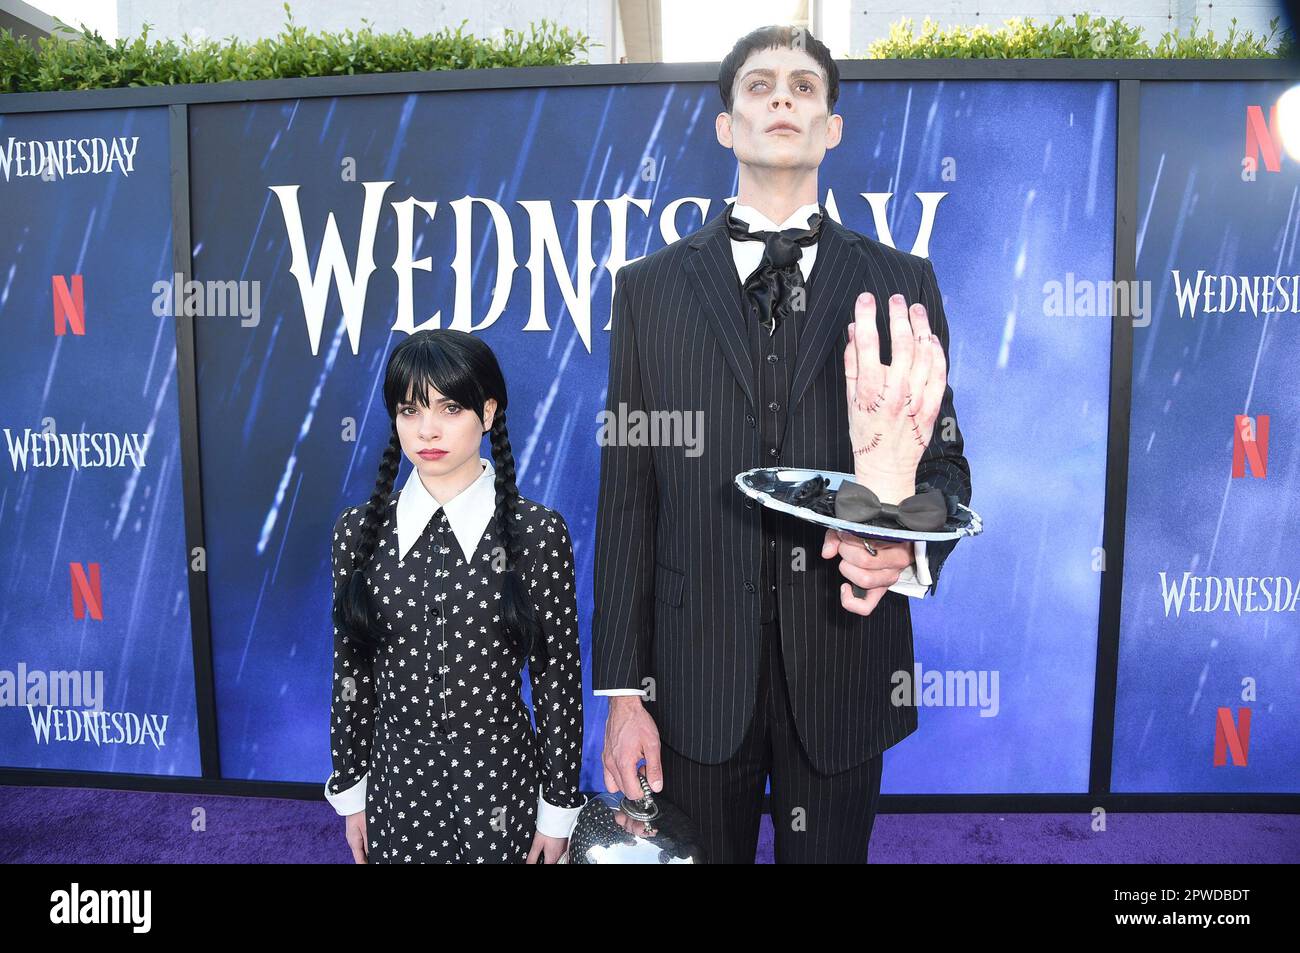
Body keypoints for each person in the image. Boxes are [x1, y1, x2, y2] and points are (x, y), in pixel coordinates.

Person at [593, 25, 973, 863]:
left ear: (831, 126)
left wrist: (903, 548)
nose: (782, 99)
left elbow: (943, 463)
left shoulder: (904, 282)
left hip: (844, 661)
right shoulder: (648, 291)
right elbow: (626, 497)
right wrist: (623, 692)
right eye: (759, 86)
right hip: (690, 681)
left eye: (804, 86)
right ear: (726, 124)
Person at [324, 329, 584, 863]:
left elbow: (558, 681)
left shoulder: (537, 533)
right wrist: (354, 794)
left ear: (488, 413)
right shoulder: (358, 532)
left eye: (450, 408)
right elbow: (351, 673)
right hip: (398, 793)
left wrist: (556, 808)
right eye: (410, 410)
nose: (428, 430)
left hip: (504, 790)